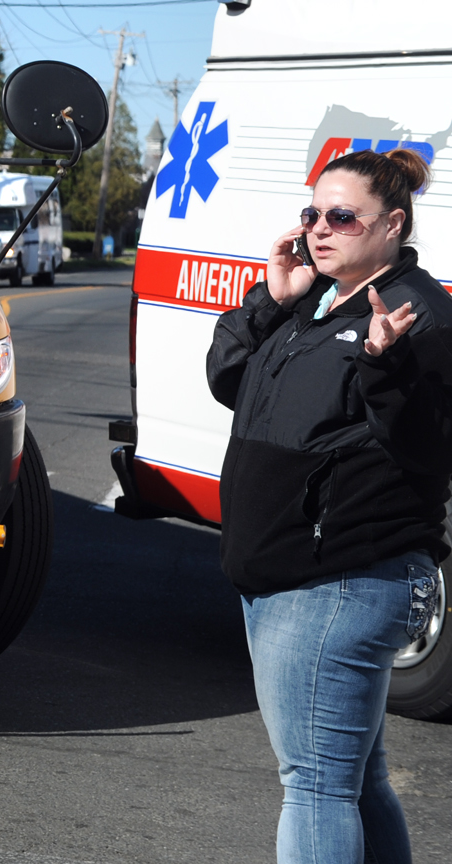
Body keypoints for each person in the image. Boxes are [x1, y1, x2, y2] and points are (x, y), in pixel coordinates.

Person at [207, 148, 452, 864]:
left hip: (337, 580)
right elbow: (230, 383)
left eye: (342, 216)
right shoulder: (318, 297)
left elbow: (429, 448)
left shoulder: (414, 316)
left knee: (315, 787)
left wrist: (385, 368)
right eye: (311, 213)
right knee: (355, 779)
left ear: (392, 225)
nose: (320, 229)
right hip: (285, 576)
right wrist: (270, 300)